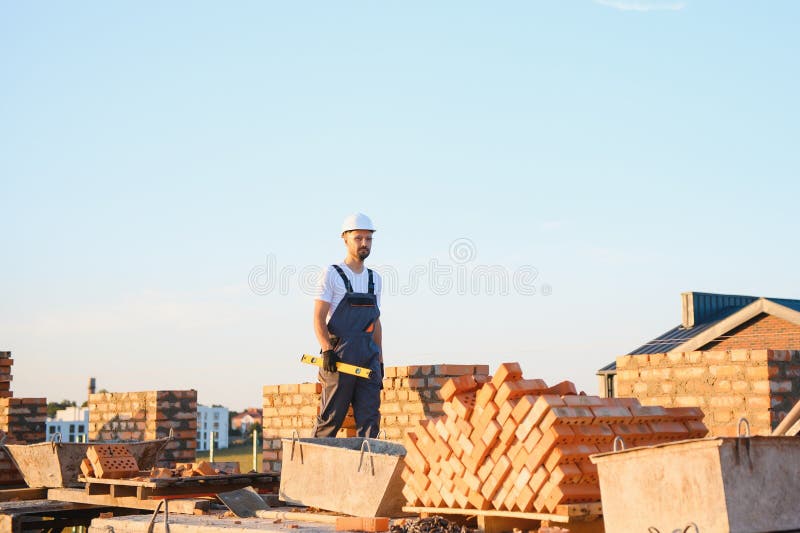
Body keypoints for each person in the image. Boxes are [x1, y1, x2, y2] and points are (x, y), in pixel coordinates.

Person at [312, 213, 383, 438]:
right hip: (339, 359)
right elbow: (318, 318)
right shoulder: (331, 274)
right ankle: (314, 459)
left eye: (368, 239)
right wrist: (327, 350)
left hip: (368, 359)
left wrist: (380, 361)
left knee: (370, 420)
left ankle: (368, 461)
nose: (364, 243)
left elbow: (375, 323)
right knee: (331, 418)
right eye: (358, 238)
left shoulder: (375, 279)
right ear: (345, 239)